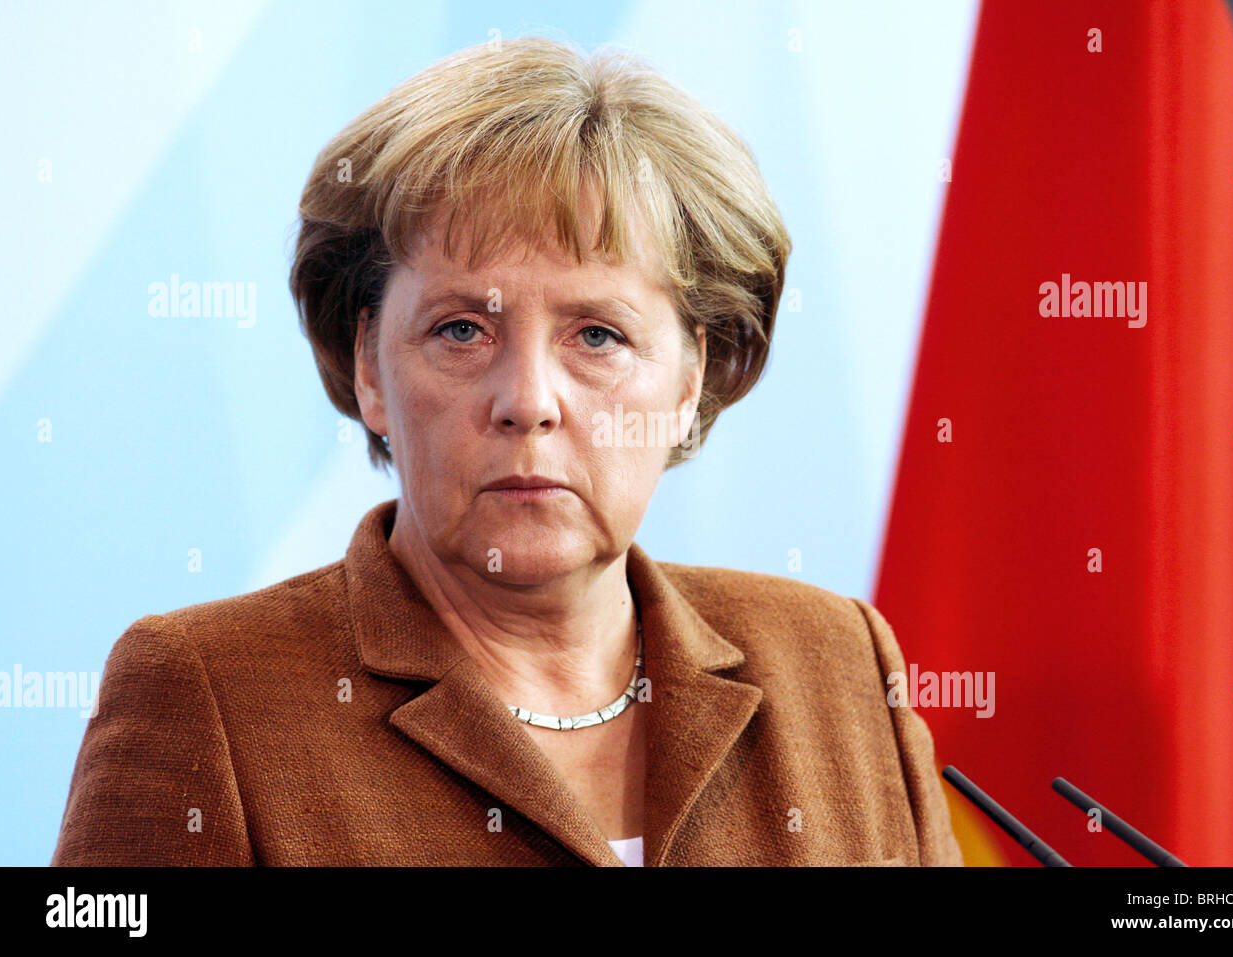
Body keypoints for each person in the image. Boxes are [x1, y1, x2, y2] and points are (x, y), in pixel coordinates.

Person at [51, 35, 962, 866]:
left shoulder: (837, 661)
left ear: (690, 380)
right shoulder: (207, 694)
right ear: (370, 366)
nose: (528, 401)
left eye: (597, 336)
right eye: (461, 330)